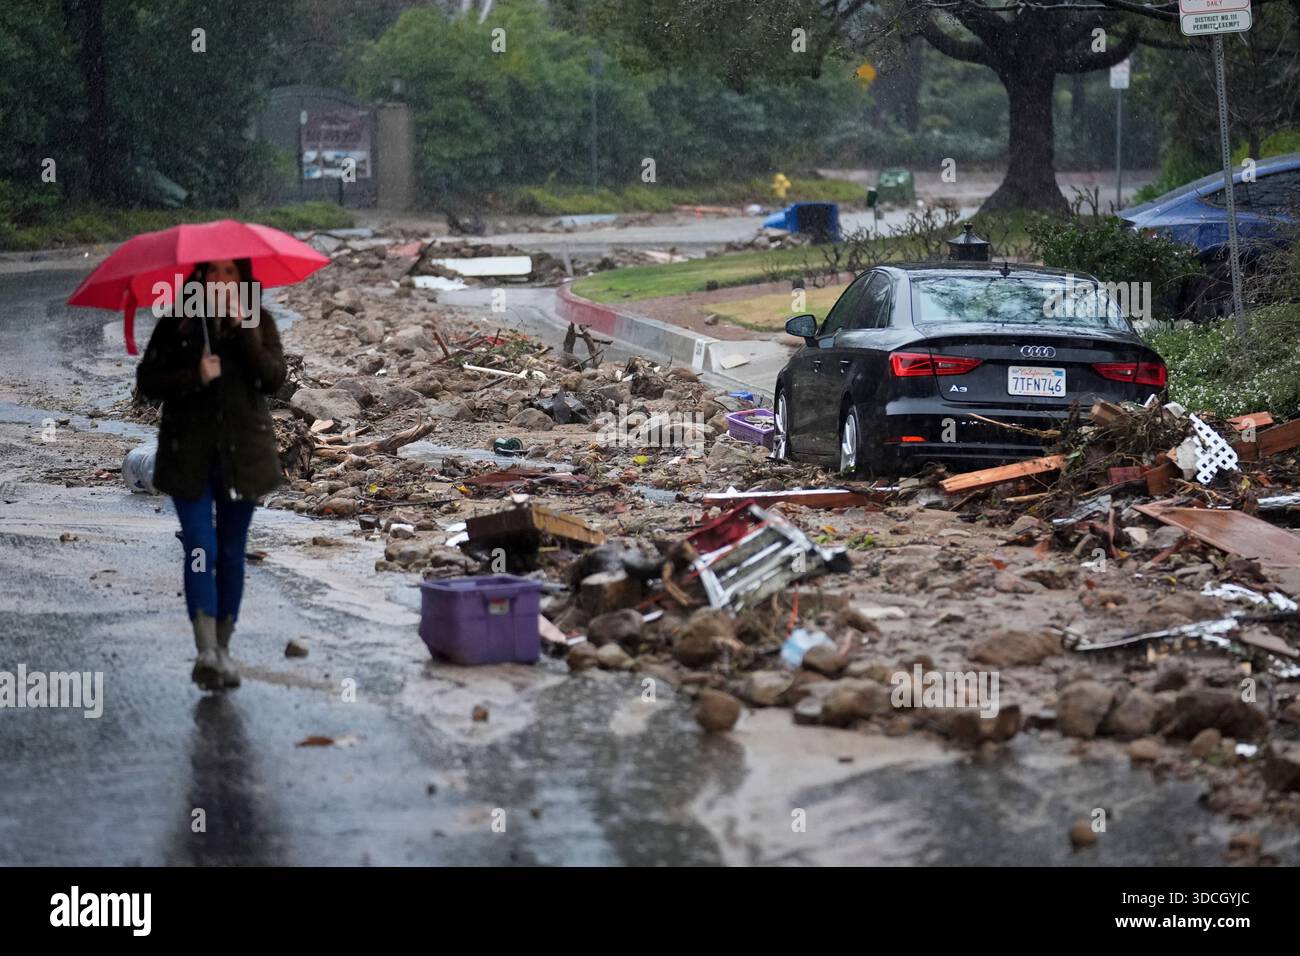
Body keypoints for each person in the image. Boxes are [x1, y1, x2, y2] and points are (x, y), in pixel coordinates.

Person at [136, 259, 286, 690]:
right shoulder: (178, 323)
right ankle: (205, 651)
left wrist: (242, 333)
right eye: (213, 272)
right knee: (201, 546)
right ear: (199, 278)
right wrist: (193, 375)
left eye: (230, 273)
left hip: (245, 459)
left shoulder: (259, 319)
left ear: (243, 279)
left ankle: (223, 651)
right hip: (189, 457)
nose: (221, 280)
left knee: (231, 551)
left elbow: (274, 378)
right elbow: (147, 381)